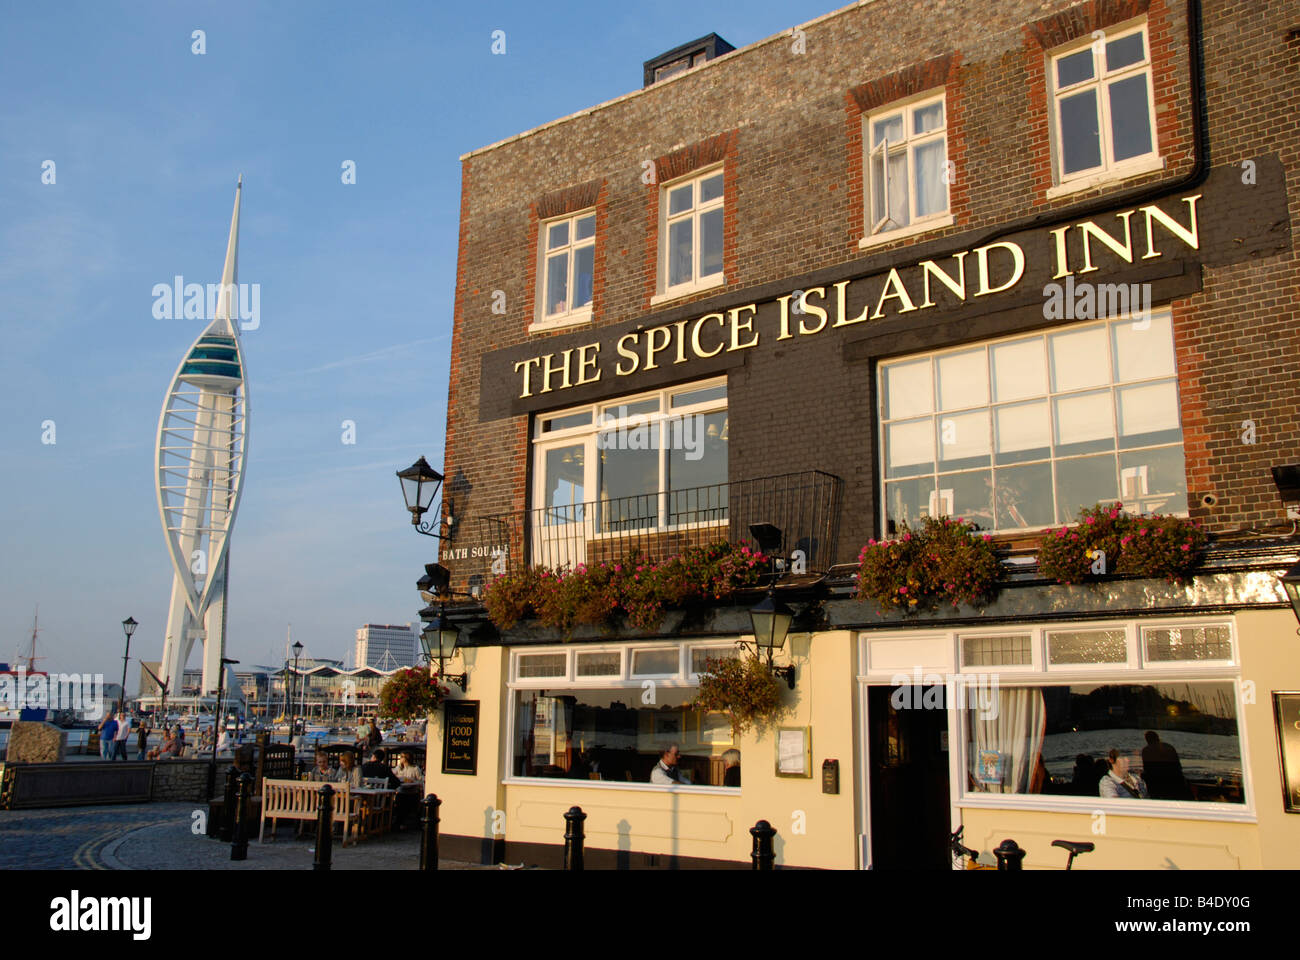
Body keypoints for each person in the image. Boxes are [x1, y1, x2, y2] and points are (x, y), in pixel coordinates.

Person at [1141, 731, 1191, 800]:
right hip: (1176, 779)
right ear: (1157, 737)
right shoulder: (1169, 747)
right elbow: (1178, 766)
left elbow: (1147, 769)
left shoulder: (1146, 750)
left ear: (1147, 739)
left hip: (1157, 782)